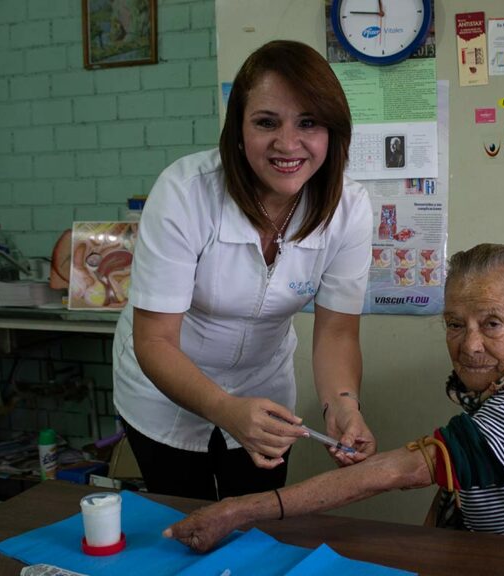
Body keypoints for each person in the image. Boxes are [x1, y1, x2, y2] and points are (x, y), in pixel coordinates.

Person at [163, 243, 504, 551]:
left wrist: (240, 509)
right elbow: (446, 480)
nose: (468, 345)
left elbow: (408, 470)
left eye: (491, 323)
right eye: (453, 324)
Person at [112, 40, 377, 502]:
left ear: (332, 132)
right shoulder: (185, 193)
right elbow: (154, 341)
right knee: (184, 517)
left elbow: (336, 333)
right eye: (266, 122)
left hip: (263, 385)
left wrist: (343, 404)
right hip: (163, 383)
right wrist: (224, 409)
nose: (287, 143)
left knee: (256, 517)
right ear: (238, 129)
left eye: (308, 123)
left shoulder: (348, 209)